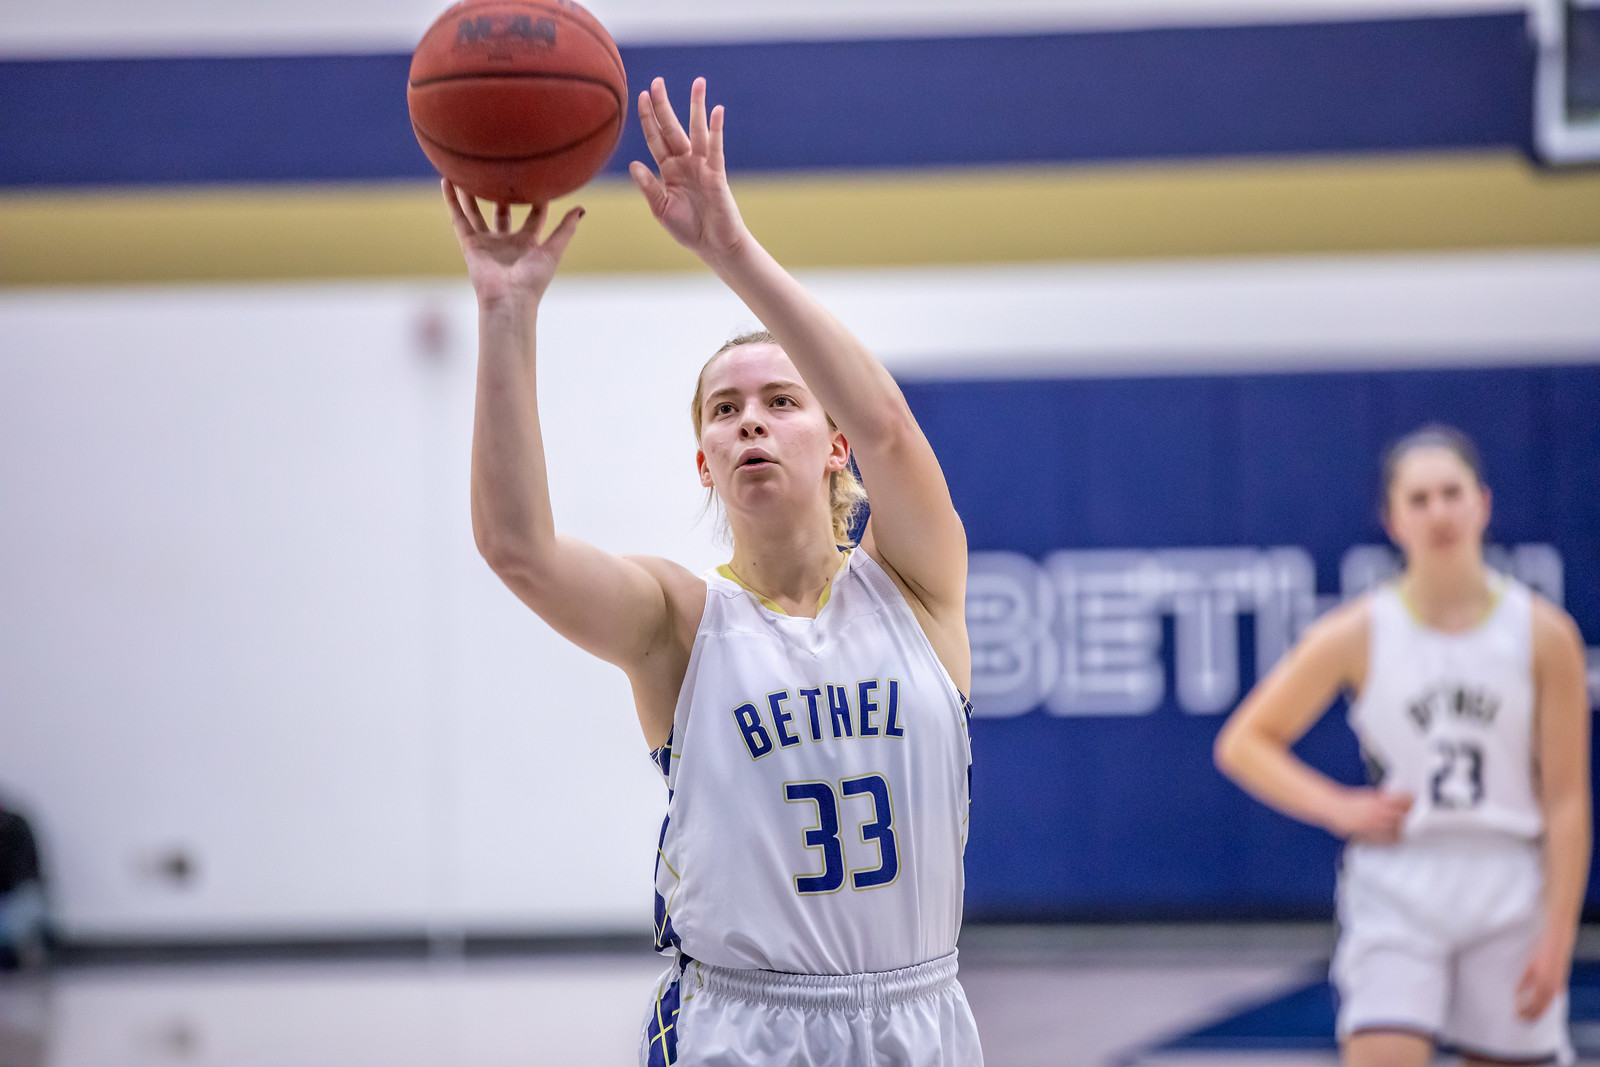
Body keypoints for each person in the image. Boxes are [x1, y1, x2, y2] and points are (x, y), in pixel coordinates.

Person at [443, 76, 982, 1066]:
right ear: (704, 461)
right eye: (725, 412)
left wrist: (728, 247)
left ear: (833, 445)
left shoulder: (915, 583)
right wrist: (506, 309)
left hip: (919, 1018)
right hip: (743, 1028)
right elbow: (518, 549)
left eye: (781, 400)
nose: (750, 422)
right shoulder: (680, 622)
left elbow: (892, 424)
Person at [1214, 425, 1591, 1067]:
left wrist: (1560, 935)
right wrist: (1336, 805)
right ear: (1393, 520)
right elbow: (1244, 741)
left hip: (1507, 879)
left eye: (1452, 493)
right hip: (1400, 880)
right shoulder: (1357, 631)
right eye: (1419, 499)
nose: (1439, 511)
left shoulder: (1544, 633)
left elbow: (1566, 801)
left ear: (1483, 504)